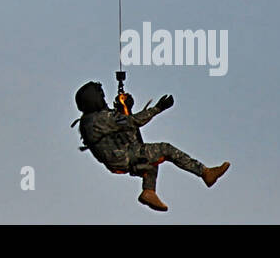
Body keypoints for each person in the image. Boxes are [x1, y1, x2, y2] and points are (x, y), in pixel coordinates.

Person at [73, 81, 230, 211]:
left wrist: (125, 108)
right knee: (164, 149)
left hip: (118, 156)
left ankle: (149, 191)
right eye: (100, 96)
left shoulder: (90, 120)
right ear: (92, 99)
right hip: (122, 156)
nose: (103, 99)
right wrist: (158, 108)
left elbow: (125, 126)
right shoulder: (100, 118)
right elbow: (133, 122)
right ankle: (205, 173)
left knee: (152, 159)